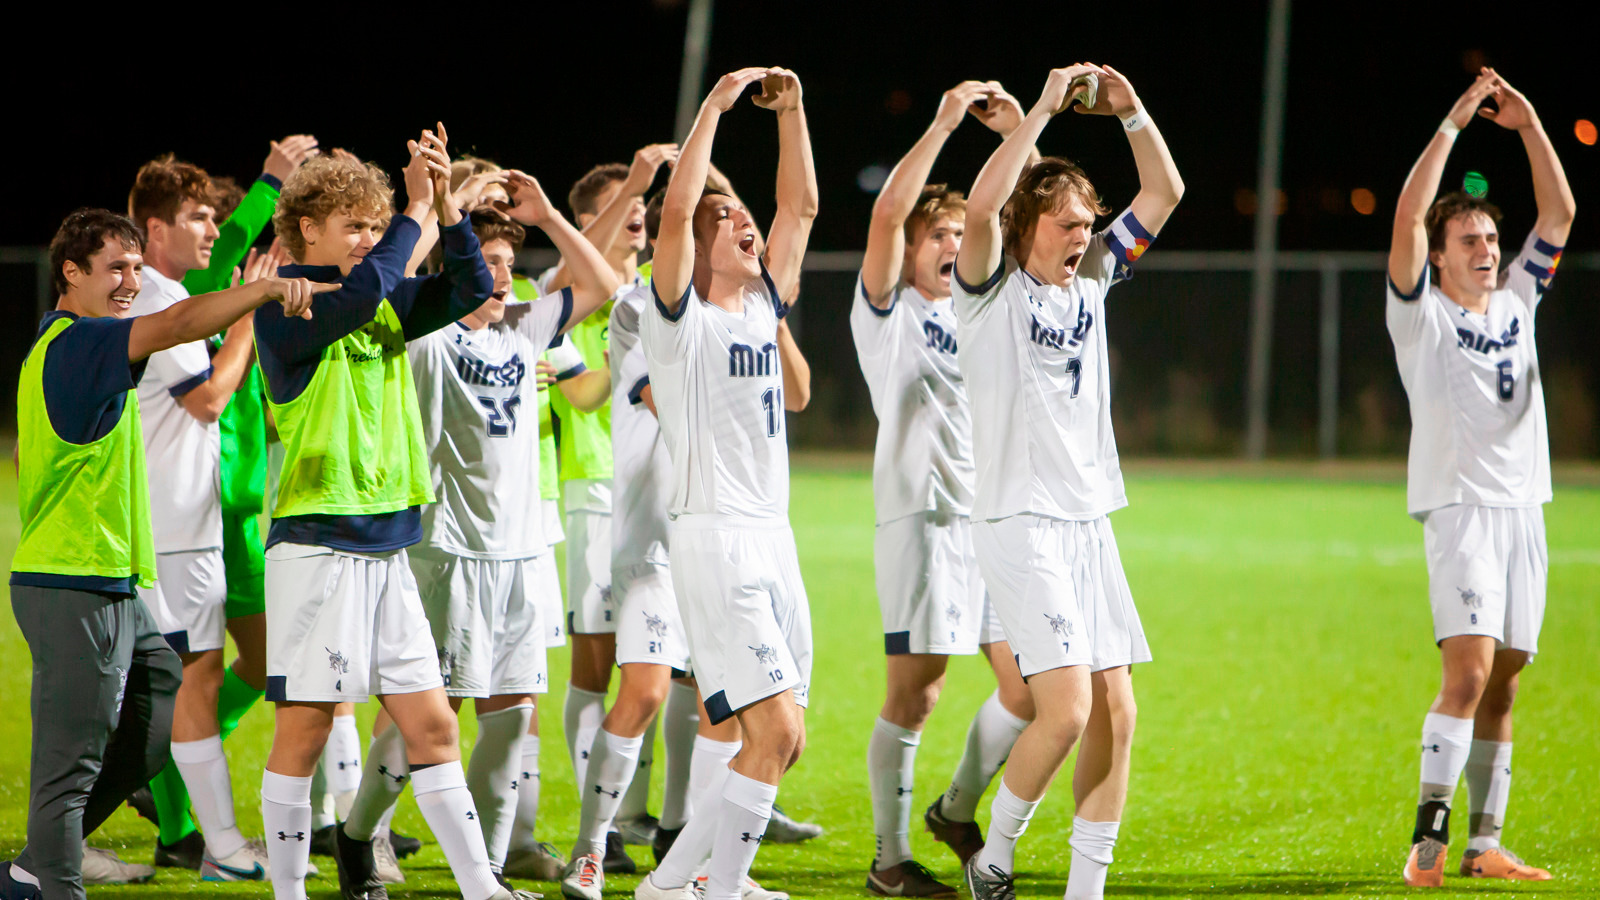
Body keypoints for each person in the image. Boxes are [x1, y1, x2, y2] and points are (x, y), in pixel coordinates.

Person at [0, 207, 325, 900]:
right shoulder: (83, 341)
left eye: (136, 269)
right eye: (114, 269)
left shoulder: (64, 345)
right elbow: (179, 325)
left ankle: (37, 860)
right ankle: (53, 880)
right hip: (72, 580)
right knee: (74, 756)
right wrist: (262, 294)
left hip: (111, 576)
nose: (129, 282)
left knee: (157, 697)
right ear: (70, 272)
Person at [252, 126, 536, 900]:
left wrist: (444, 207)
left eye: (376, 226)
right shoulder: (285, 307)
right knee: (305, 732)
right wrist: (411, 209)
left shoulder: (379, 298)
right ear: (306, 228)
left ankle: (483, 889)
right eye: (355, 224)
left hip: (389, 547)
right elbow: (360, 295)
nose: (372, 238)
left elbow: (473, 289)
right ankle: (288, 893)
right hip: (319, 545)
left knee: (435, 726)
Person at [344, 178, 622, 891]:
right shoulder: (429, 332)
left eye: (507, 264)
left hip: (523, 555)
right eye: (488, 261)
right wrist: (445, 210)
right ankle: (360, 832)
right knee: (425, 715)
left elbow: (602, 282)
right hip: (448, 554)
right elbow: (393, 280)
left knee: (512, 720)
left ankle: (490, 872)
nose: (501, 277)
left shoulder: (526, 328)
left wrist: (551, 214)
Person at [952, 63, 1182, 900]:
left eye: (1089, 221)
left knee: (1118, 714)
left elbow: (1165, 188)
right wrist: (1045, 107)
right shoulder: (986, 290)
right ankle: (996, 859)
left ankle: (1085, 892)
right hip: (1019, 521)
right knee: (1069, 709)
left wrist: (1129, 108)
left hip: (1087, 521)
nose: (1083, 234)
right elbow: (983, 210)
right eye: (1065, 223)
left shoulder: (1093, 280)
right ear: (1029, 227)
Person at [850, 80, 1040, 897]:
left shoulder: (978, 309)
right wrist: (945, 122)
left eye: (962, 233)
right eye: (941, 233)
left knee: (1032, 689)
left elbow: (1017, 222)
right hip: (922, 518)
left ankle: (956, 811)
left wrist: (1022, 135)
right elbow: (885, 217)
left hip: (990, 520)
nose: (951, 244)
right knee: (916, 694)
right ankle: (890, 863)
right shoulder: (886, 313)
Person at [634, 65, 817, 900]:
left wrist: (792, 113)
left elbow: (802, 208)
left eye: (747, 218)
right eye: (729, 221)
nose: (747, 227)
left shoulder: (760, 306)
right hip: (714, 536)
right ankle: (720, 889)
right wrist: (713, 105)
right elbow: (676, 209)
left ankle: (672, 886)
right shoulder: (679, 322)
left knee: (781, 737)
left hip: (772, 537)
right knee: (772, 728)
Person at [1386, 68, 1572, 888]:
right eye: (1470, 241)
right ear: (1440, 256)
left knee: (1504, 682)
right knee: (1464, 673)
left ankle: (1483, 844)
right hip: (1460, 509)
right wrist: (1455, 124)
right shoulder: (1420, 316)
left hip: (1523, 510)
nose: (1489, 251)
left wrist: (1530, 127)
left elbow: (1560, 214)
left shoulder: (1519, 301)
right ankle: (1428, 840)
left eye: (1492, 240)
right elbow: (1403, 217)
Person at [124, 153, 281, 882]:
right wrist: (250, 309)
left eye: (217, 216)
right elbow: (212, 398)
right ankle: (199, 836)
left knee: (193, 683)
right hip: (177, 530)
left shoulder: (166, 297)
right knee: (177, 687)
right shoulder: (163, 304)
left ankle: (201, 835)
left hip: (197, 527)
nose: (213, 227)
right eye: (199, 216)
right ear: (156, 229)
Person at [543, 145, 680, 870]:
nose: (636, 217)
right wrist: (635, 179)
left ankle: (638, 814)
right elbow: (587, 392)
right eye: (617, 210)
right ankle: (600, 826)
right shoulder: (563, 294)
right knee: (596, 668)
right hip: (594, 495)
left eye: (640, 209)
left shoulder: (662, 286)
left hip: (667, 500)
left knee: (658, 669)